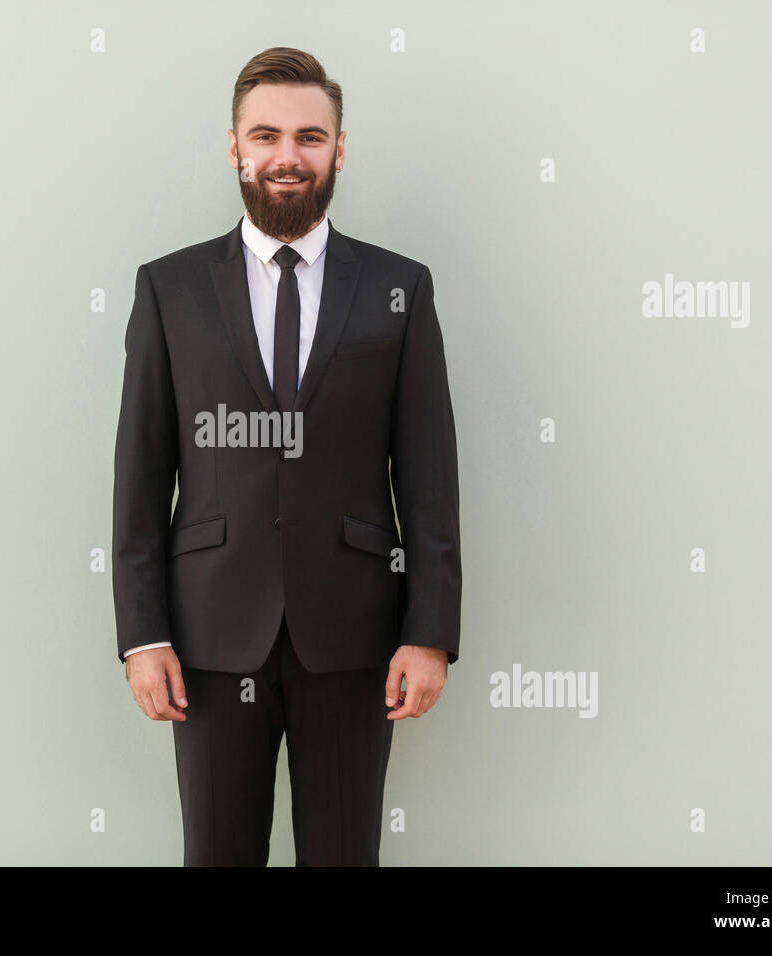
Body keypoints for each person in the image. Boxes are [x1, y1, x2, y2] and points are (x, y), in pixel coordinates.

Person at [111, 46, 462, 866]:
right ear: (233, 147)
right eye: (265, 135)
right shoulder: (169, 289)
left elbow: (428, 475)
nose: (286, 156)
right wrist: (142, 634)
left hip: (354, 637)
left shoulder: (398, 289)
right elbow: (139, 472)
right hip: (204, 637)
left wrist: (431, 630)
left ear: (339, 150)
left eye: (309, 137)